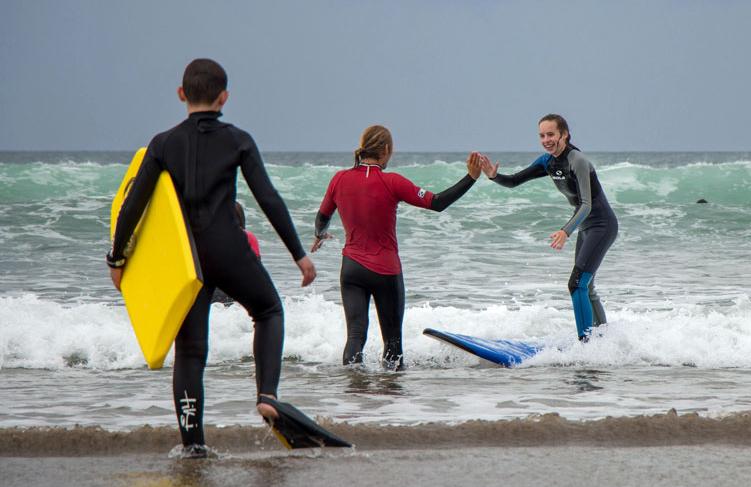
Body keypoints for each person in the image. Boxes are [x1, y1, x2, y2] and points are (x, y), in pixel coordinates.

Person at [106, 58, 316, 458]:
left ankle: (193, 444)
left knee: (189, 352)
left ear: (181, 94)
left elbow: (135, 203)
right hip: (228, 247)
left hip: (186, 261)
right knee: (269, 310)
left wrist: (117, 259)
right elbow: (268, 198)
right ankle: (267, 394)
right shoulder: (238, 139)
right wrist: (298, 255)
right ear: (224, 98)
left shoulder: (163, 143)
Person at [311, 125, 485, 369]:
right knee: (392, 344)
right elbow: (437, 203)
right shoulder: (392, 181)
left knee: (355, 337)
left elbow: (322, 217)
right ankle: (391, 400)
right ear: (385, 150)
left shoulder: (339, 179)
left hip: (351, 269)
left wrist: (320, 235)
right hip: (385, 271)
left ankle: (352, 390)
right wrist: (471, 178)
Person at [480, 114, 618, 342]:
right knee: (587, 286)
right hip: (585, 227)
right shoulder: (547, 162)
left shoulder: (577, 160)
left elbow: (586, 205)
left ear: (564, 134)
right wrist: (494, 176)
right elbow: (514, 181)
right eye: (542, 135)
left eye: (551, 134)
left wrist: (565, 231)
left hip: (602, 225)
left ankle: (586, 343)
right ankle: (604, 339)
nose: (546, 139)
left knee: (576, 284)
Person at [211, 202, 260, 304]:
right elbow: (257, 269)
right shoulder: (248, 236)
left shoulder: (211, 237)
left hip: (216, 290)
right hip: (241, 289)